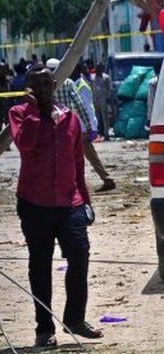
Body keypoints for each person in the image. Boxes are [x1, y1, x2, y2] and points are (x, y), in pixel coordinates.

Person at [10, 65, 103, 347]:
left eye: (46, 84)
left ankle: (74, 318)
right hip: (34, 202)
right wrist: (35, 113)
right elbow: (25, 145)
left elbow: (77, 164)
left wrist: (85, 201)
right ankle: (44, 327)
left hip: (69, 202)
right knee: (40, 265)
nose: (42, 90)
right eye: (36, 86)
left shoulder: (69, 118)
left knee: (80, 254)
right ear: (29, 89)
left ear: (54, 85)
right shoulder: (20, 115)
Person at [48, 60, 115, 192]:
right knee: (87, 155)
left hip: (56, 128)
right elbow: (80, 105)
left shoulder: (46, 86)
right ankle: (104, 178)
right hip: (70, 126)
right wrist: (88, 125)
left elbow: (82, 105)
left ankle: (73, 184)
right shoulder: (68, 84)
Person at [91, 64, 114, 140]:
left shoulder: (106, 77)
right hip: (95, 100)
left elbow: (109, 89)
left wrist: (107, 98)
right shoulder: (92, 77)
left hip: (103, 100)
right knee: (96, 118)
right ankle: (98, 133)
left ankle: (106, 134)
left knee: (105, 118)